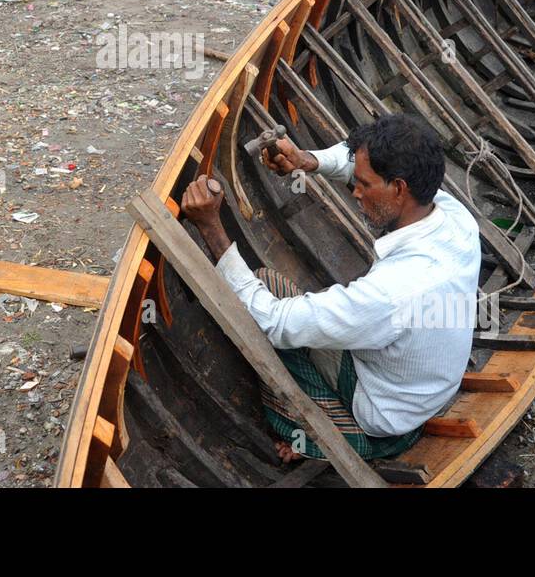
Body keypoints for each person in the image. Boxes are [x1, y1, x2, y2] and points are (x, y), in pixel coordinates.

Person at [179, 114, 480, 464]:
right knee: (265, 284)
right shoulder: (452, 215)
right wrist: (309, 160)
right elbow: (356, 162)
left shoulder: (393, 292)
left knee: (264, 315)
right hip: (423, 387)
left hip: (384, 415)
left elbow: (275, 324)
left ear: (398, 188)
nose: (354, 191)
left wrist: (212, 228)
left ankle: (310, 437)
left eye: (364, 185)